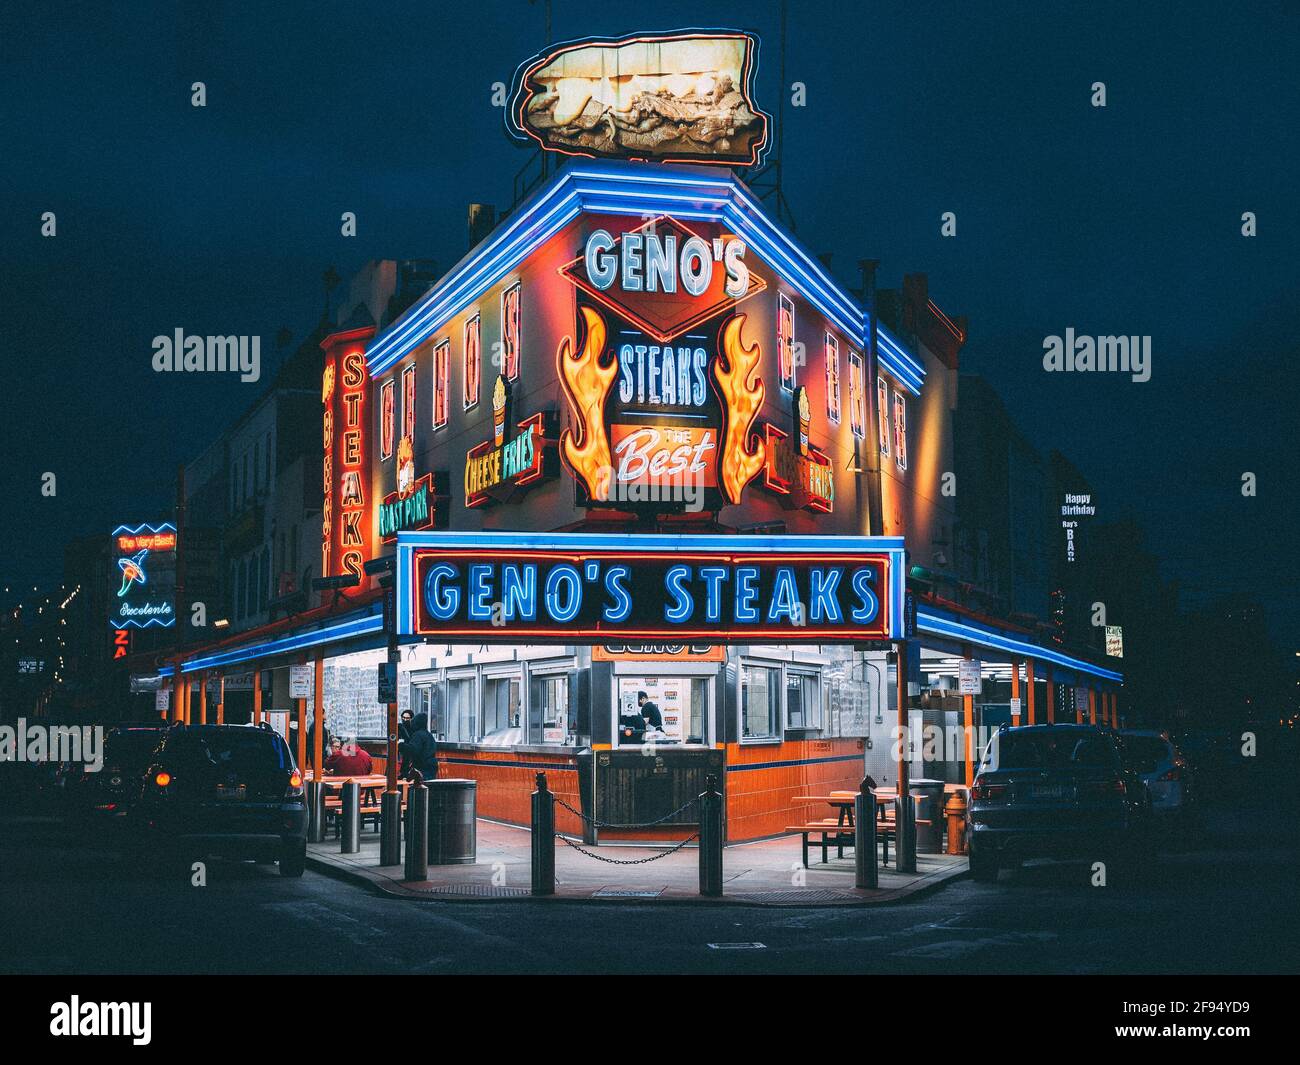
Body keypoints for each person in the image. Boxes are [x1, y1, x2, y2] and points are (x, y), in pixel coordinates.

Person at [400, 712, 438, 781]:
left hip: (422, 767)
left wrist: (400, 745)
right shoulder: (429, 735)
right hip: (431, 767)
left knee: (418, 788)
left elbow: (413, 750)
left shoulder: (418, 735)